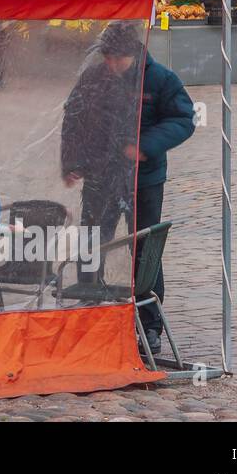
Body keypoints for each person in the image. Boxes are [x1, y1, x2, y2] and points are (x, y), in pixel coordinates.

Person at [60, 20, 196, 354]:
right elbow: (73, 116)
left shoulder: (161, 79)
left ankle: (149, 325)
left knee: (144, 249)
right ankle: (90, 310)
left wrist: (144, 145)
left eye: (116, 59)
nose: (111, 65)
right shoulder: (93, 76)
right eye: (106, 58)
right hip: (98, 177)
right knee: (92, 240)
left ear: (134, 54)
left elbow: (183, 119)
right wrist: (71, 161)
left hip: (143, 180)